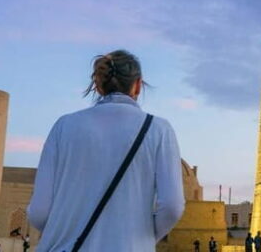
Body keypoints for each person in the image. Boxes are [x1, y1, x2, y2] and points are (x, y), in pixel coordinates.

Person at [27, 51, 185, 252]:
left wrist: (64, 230)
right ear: (138, 84)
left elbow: (39, 212)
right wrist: (141, 237)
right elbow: (172, 206)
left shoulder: (63, 126)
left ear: (98, 86)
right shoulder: (158, 130)